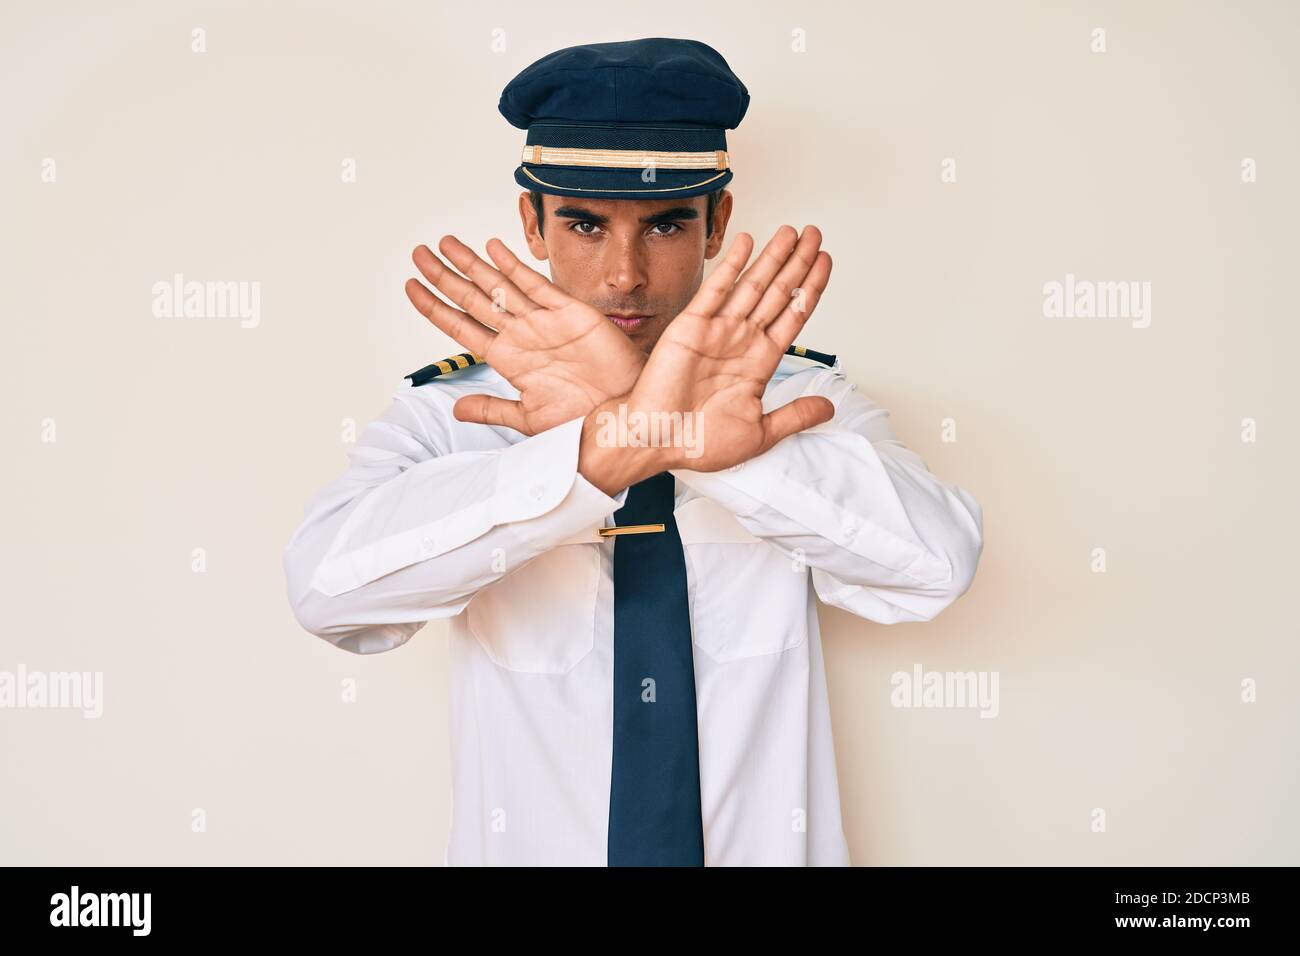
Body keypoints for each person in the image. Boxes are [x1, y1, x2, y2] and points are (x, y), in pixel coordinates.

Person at [282, 37, 984, 866]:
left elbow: (939, 565)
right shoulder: (452, 415)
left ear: (716, 223)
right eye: (584, 223)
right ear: (532, 225)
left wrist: (713, 450)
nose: (624, 275)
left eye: (665, 224)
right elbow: (328, 592)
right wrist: (591, 456)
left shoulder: (801, 404)